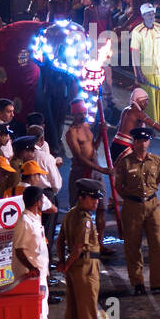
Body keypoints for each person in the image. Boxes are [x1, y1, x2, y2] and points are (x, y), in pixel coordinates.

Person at [114, 128, 160, 294]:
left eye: (145, 140)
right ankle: (137, 282)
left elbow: (157, 181)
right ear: (134, 142)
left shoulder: (156, 161)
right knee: (133, 245)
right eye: (139, 141)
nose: (142, 144)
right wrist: (132, 198)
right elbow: (119, 186)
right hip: (132, 207)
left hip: (152, 205)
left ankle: (158, 282)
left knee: (157, 244)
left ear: (149, 141)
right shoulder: (125, 163)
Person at [57, 179, 106, 319]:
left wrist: (63, 263)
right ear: (81, 197)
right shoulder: (84, 220)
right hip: (86, 268)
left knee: (73, 311)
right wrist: (66, 265)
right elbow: (78, 248)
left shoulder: (70, 214)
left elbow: (59, 241)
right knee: (88, 312)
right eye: (92, 199)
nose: (96, 202)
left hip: (75, 269)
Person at [65, 99, 111, 244]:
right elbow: (79, 157)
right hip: (82, 171)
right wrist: (102, 169)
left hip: (95, 167)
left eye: (84, 113)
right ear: (74, 114)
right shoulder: (71, 133)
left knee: (102, 207)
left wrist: (102, 134)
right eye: (80, 114)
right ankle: (78, 242)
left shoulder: (86, 126)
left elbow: (94, 148)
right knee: (79, 210)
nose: (83, 116)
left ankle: (100, 243)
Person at [10, 186, 50, 319]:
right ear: (38, 202)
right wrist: (32, 268)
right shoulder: (24, 222)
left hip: (39, 272)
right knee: (36, 313)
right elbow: (19, 250)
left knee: (43, 311)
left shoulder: (35, 218)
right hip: (31, 275)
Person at [130, 2, 160, 123]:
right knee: (149, 99)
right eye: (148, 14)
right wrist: (138, 74)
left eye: (153, 13)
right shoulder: (137, 31)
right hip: (146, 70)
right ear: (143, 15)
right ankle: (149, 124)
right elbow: (135, 54)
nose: (151, 16)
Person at [111, 87, 160, 162]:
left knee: (118, 171)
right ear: (140, 101)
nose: (147, 104)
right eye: (146, 101)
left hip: (115, 143)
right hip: (125, 146)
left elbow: (120, 127)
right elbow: (155, 125)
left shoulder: (125, 110)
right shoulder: (138, 113)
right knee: (134, 171)